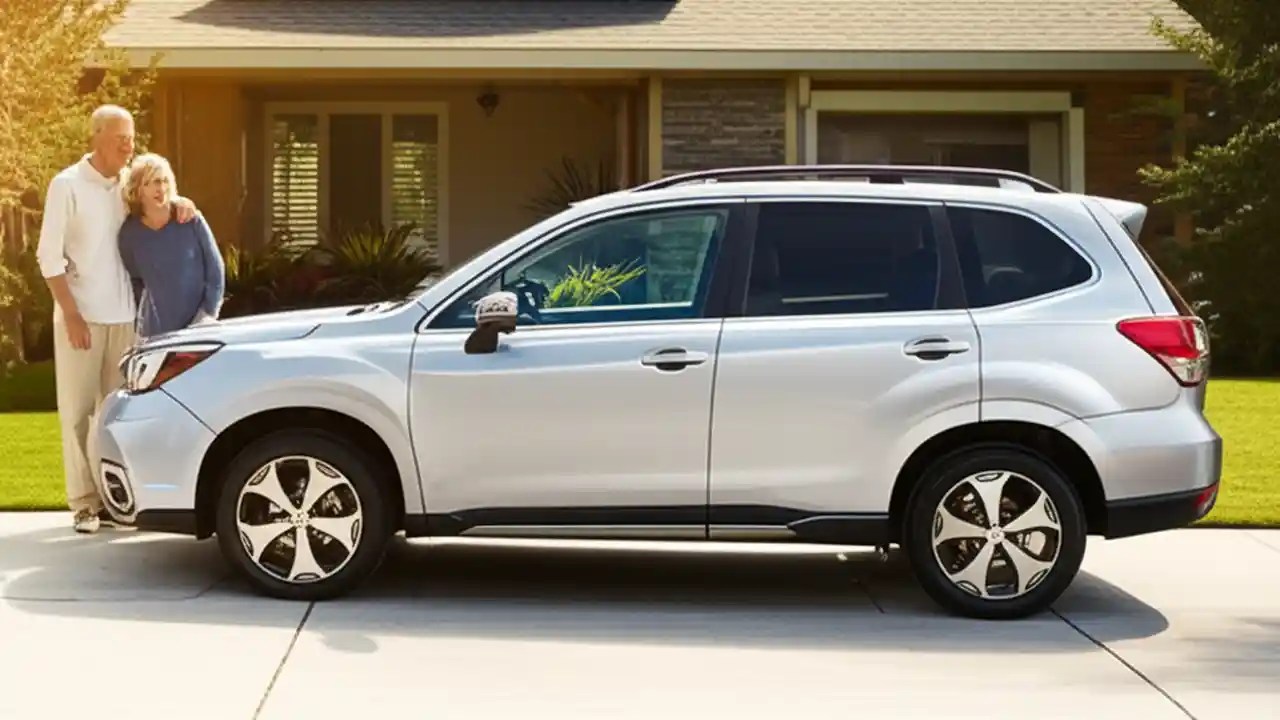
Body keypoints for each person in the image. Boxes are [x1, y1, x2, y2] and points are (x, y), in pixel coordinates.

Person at [36, 104, 200, 534]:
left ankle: (112, 501)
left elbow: (157, 196)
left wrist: (180, 201)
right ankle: (84, 504)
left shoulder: (128, 184)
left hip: (125, 317)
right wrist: (70, 314)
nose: (128, 145)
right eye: (119, 137)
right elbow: (47, 256)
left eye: (131, 137)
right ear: (96, 137)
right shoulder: (66, 185)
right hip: (81, 317)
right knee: (76, 415)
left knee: (114, 414)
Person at [117, 153, 225, 338]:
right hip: (156, 335)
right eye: (150, 182)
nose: (160, 188)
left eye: (164, 181)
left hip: (199, 328)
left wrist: (207, 315)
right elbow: (136, 282)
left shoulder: (190, 220)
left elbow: (215, 270)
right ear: (137, 189)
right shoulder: (129, 234)